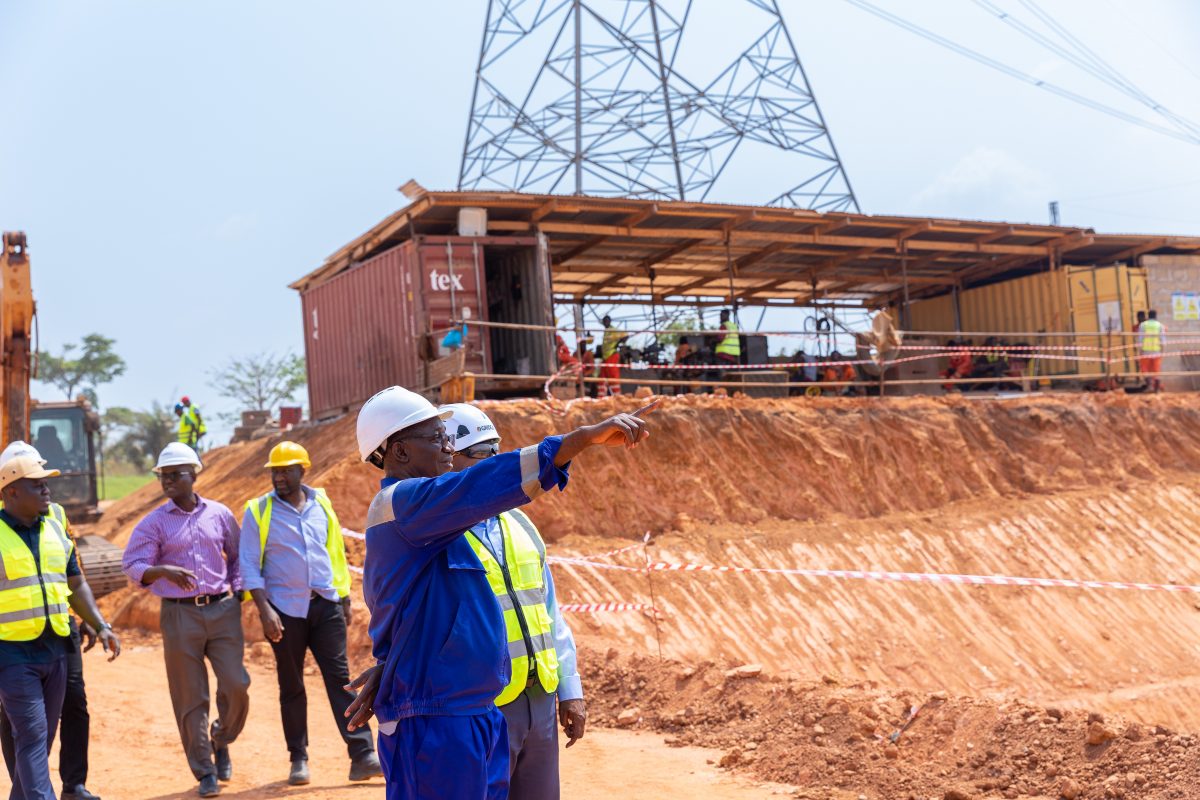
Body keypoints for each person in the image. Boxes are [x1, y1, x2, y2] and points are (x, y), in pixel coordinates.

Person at [342, 386, 654, 800]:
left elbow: (433, 608)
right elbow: (480, 485)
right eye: (437, 438)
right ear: (399, 452)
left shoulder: (440, 522)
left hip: (474, 709)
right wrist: (579, 439)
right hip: (435, 718)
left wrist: (396, 659)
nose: (449, 447)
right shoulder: (402, 504)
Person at [441, 404, 586, 799]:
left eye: (497, 451)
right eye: (482, 453)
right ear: (447, 459)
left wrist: (570, 689)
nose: (495, 463)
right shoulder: (437, 537)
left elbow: (550, 613)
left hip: (539, 696)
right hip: (482, 705)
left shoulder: (520, 523)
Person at [239, 441, 381, 786]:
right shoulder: (258, 510)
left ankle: (362, 755)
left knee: (340, 678)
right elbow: (249, 566)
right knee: (291, 685)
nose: (279, 477)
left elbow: (333, 552)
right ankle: (298, 758)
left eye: (286, 470)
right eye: (275, 471)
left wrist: (343, 596)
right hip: (283, 611)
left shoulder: (321, 502)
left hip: (326, 604)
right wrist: (265, 610)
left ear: (304, 470)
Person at [121, 443, 248, 798]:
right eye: (164, 476)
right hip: (179, 615)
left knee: (236, 685)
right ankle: (205, 770)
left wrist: (237, 593)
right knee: (190, 697)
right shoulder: (154, 523)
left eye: (176, 474)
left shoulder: (220, 514)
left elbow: (237, 557)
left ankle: (221, 740)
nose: (169, 481)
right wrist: (159, 570)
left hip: (223, 611)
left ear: (195, 474)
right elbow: (132, 564)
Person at [0, 454, 119, 800]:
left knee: (39, 739)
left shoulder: (54, 523)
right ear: (11, 492)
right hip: (12, 654)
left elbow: (76, 582)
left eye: (45, 481)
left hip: (56, 650)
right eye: (36, 483)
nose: (46, 488)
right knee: (33, 734)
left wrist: (99, 624)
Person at [598, 315, 627, 397]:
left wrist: (617, 344)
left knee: (613, 378)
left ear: (610, 321)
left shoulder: (613, 330)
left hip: (611, 356)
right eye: (604, 321)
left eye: (606, 321)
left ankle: (617, 397)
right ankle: (601, 398)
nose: (605, 323)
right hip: (605, 357)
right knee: (602, 378)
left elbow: (625, 335)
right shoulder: (606, 331)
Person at [1139, 309, 1165, 392]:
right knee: (1156, 370)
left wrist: (1140, 351)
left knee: (1145, 369)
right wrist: (1162, 351)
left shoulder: (1143, 325)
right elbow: (1162, 340)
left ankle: (1149, 386)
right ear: (1156, 316)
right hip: (1156, 351)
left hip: (1145, 351)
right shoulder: (1160, 325)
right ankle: (1156, 390)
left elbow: (1140, 339)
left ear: (1148, 316)